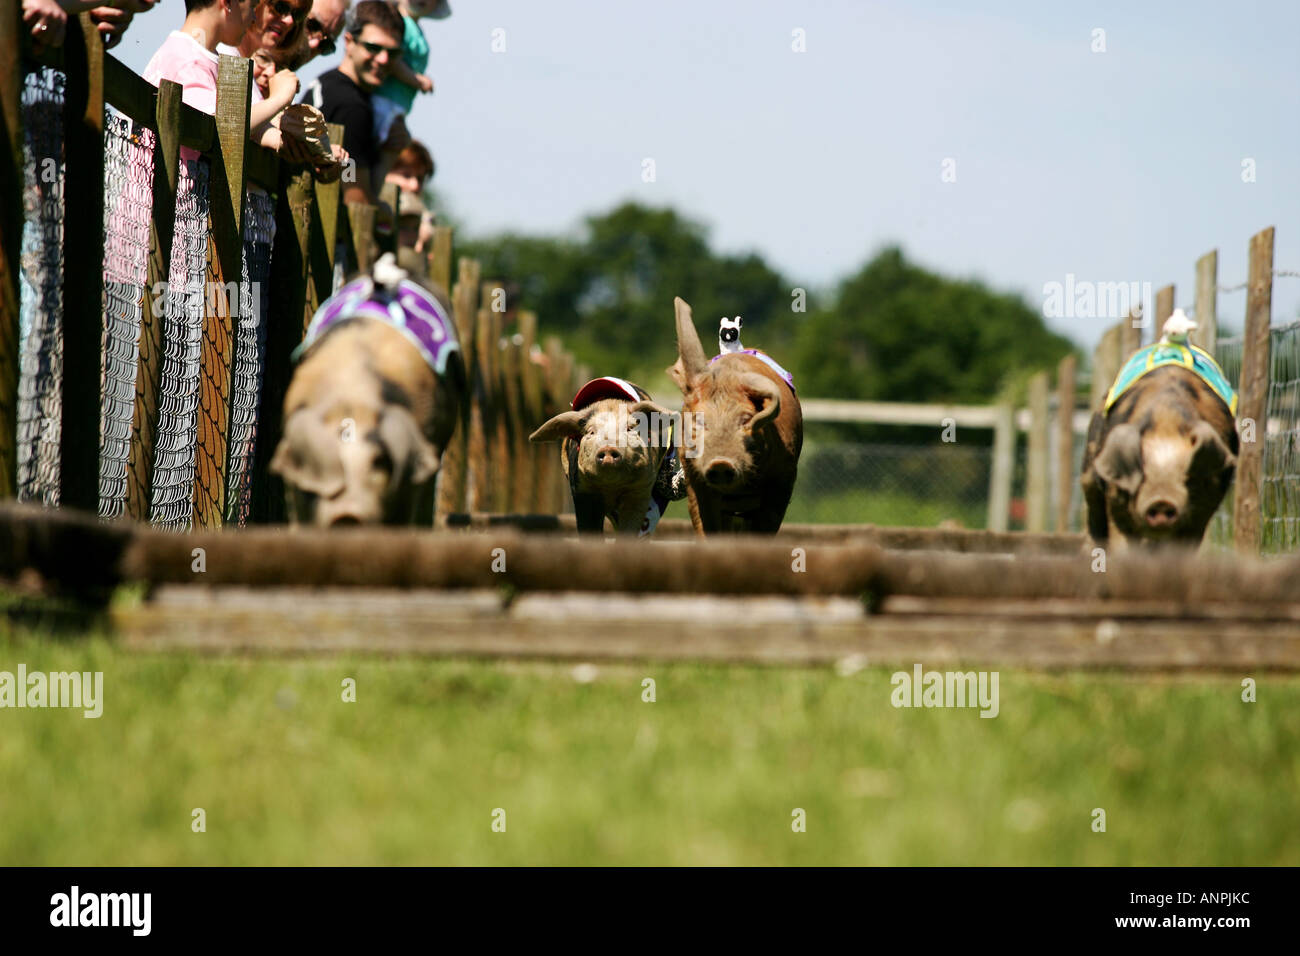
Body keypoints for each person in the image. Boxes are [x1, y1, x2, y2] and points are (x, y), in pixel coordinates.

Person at [300, 0, 404, 207]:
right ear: (349, 42)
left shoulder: (329, 82)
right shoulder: (351, 106)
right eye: (373, 48)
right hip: (317, 230)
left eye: (392, 53)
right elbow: (355, 198)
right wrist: (383, 211)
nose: (383, 59)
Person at [370, 0, 450, 160]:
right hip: (383, 101)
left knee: (388, 154)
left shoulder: (415, 29)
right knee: (382, 155)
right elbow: (392, 61)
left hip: (398, 106)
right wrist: (417, 80)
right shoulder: (397, 25)